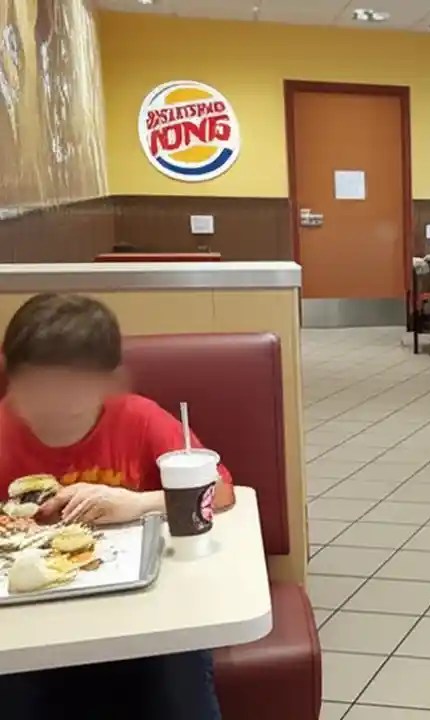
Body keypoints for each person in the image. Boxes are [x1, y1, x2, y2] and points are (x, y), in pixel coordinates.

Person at [0, 293, 233, 720]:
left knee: (179, 671)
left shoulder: (138, 418)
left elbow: (219, 490)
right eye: (36, 384)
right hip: (30, 618)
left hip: (144, 607)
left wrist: (136, 503)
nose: (53, 401)